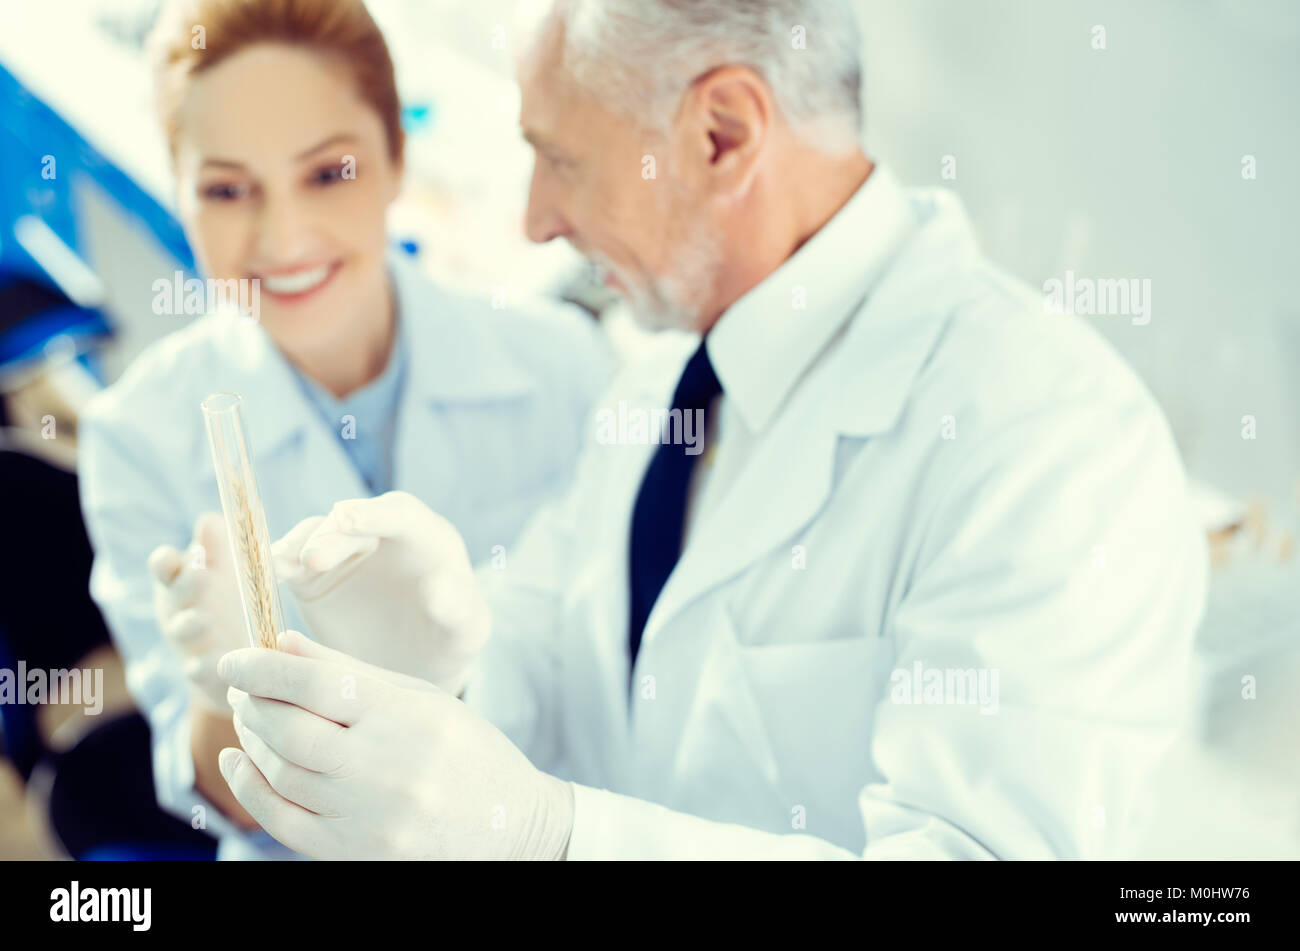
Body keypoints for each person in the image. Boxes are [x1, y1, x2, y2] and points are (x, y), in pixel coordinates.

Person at [213, 0, 1208, 859]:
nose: (535, 221)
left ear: (720, 135)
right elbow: (571, 669)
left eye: (560, 161)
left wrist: (551, 840)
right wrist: (444, 660)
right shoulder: (660, 383)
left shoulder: (1051, 441)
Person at [77, 0, 608, 861]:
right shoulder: (136, 435)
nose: (283, 238)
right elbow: (225, 799)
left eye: (329, 174)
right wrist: (218, 689)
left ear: (398, 157)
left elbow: (613, 687)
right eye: (225, 189)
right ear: (178, 187)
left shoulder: (561, 365)